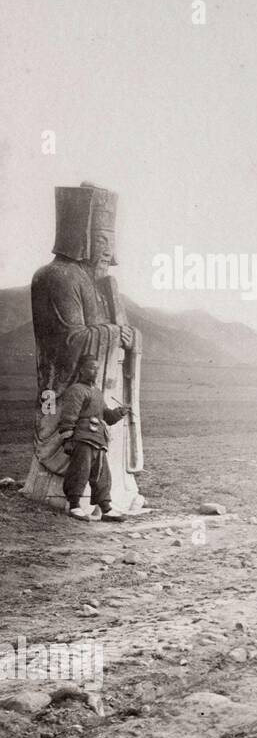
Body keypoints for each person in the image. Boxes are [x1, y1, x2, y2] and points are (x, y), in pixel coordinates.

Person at [21, 183, 144, 512]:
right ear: (81, 237)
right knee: (81, 448)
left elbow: (122, 330)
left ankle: (110, 494)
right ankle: (72, 498)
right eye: (101, 239)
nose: (108, 249)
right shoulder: (56, 277)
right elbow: (68, 340)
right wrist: (114, 332)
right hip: (64, 388)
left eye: (111, 240)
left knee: (102, 451)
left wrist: (131, 337)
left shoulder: (106, 283)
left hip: (103, 393)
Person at [57, 355, 131, 520]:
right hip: (82, 438)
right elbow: (68, 417)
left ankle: (105, 509)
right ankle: (74, 506)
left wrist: (120, 412)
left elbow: (107, 417)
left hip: (98, 439)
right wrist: (67, 439)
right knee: (80, 471)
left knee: (103, 473)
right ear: (81, 369)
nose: (95, 371)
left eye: (96, 368)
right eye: (91, 367)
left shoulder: (97, 392)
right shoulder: (76, 390)